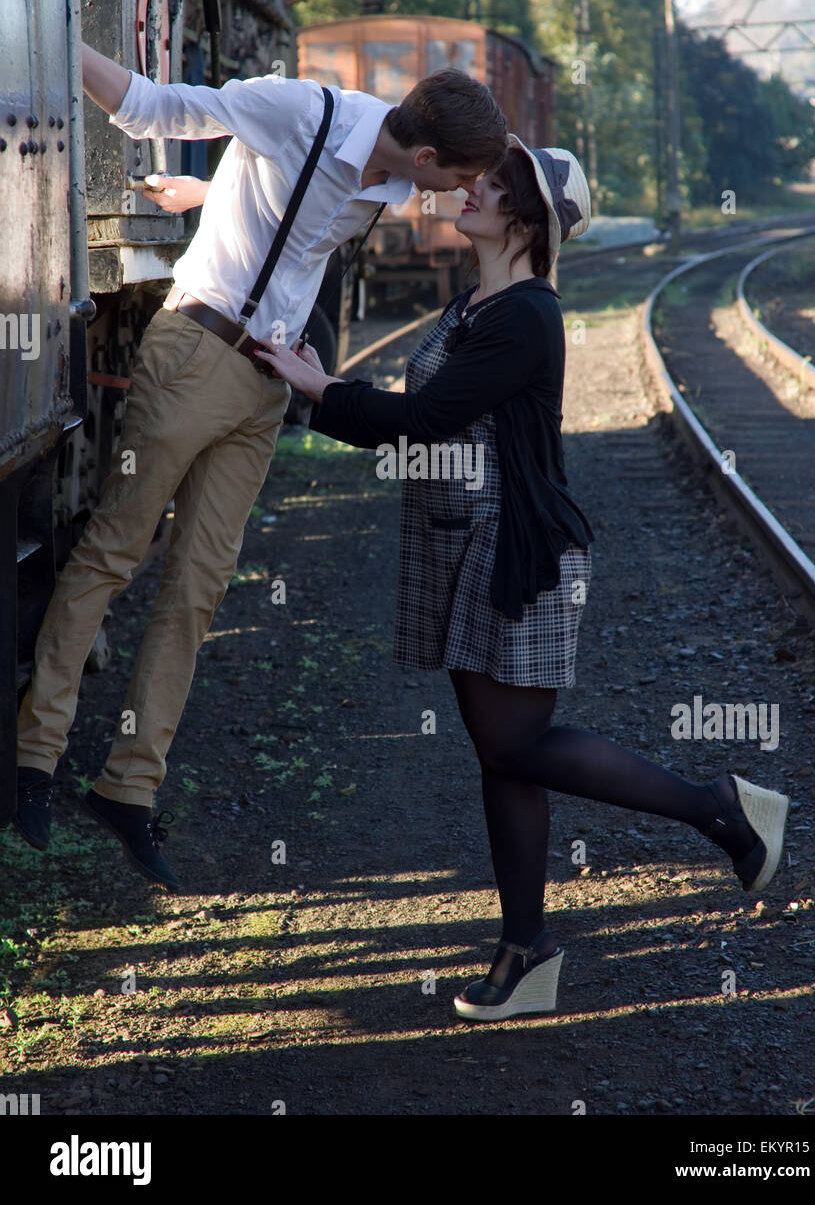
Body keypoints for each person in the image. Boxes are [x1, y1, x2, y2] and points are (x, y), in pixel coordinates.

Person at [254, 137, 791, 1023]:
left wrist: (320, 390)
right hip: (471, 543)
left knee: (516, 746)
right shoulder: (482, 302)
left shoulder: (525, 316)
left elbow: (424, 417)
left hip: (515, 550)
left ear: (528, 221)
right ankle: (526, 949)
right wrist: (325, 389)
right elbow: (427, 418)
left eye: (496, 185)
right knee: (502, 755)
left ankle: (721, 809)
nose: (474, 187)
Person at [14, 51, 509, 892]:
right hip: (193, 356)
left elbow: (296, 221)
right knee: (115, 553)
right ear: (425, 156)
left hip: (266, 384)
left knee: (200, 587)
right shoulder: (296, 109)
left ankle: (129, 789)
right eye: (458, 178)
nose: (457, 195)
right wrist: (59, 37)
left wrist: (211, 198)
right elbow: (150, 106)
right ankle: (34, 764)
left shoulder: (390, 183)